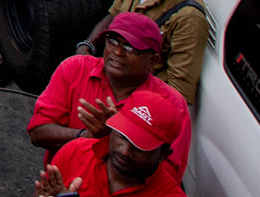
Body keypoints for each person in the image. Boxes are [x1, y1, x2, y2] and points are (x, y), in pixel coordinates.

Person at [28, 11, 193, 181]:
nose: (118, 52)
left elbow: (167, 178)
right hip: (62, 183)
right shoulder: (75, 68)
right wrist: (87, 135)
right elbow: (38, 133)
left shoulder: (172, 104)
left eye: (130, 48)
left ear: (153, 60)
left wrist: (111, 139)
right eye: (113, 41)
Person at [31, 99, 189, 197]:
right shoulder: (76, 151)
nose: (125, 151)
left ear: (164, 154)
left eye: (140, 146)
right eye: (122, 137)